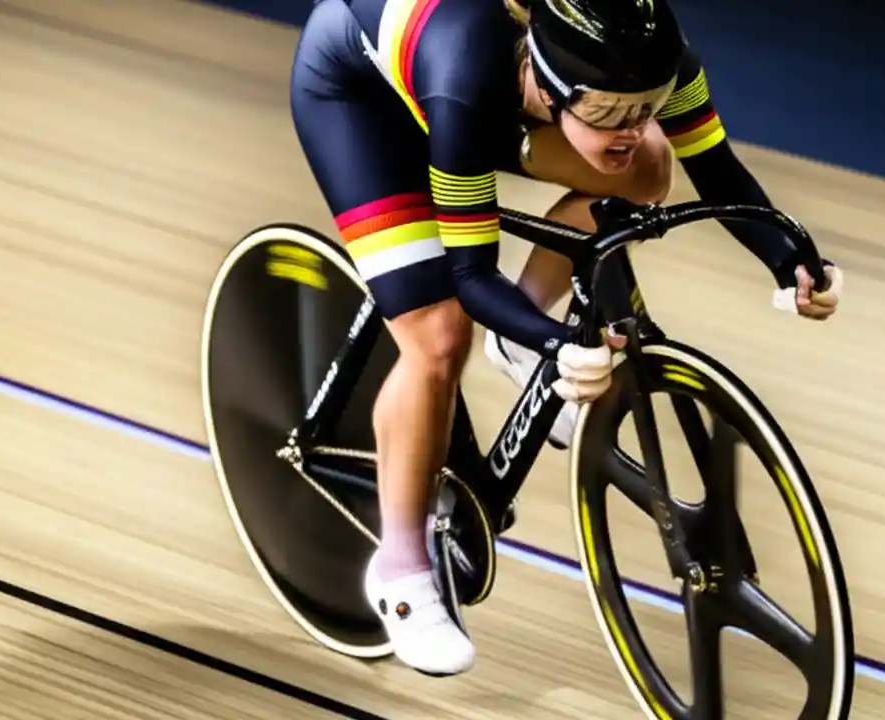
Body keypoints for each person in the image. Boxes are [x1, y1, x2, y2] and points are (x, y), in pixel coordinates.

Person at [287, 0, 844, 677]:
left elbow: (714, 163)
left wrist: (789, 260)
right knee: (437, 337)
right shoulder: (466, 68)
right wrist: (559, 344)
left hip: (493, 100)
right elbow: (469, 274)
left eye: (646, 106)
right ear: (547, 87)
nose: (631, 125)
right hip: (366, 101)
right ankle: (400, 573)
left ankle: (521, 336)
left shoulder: (645, 52)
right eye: (609, 113)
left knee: (646, 168)